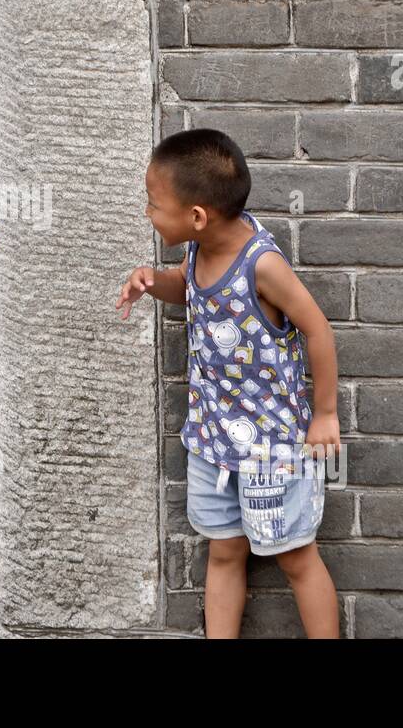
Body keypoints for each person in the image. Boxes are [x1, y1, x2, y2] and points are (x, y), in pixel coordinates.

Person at [116, 128, 341, 638]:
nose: (148, 214)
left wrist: (325, 413)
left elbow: (317, 328)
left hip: (272, 450)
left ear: (197, 214)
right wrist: (153, 280)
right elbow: (189, 290)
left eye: (153, 205)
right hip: (213, 444)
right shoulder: (199, 248)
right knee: (223, 552)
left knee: (297, 559)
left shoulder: (262, 264)